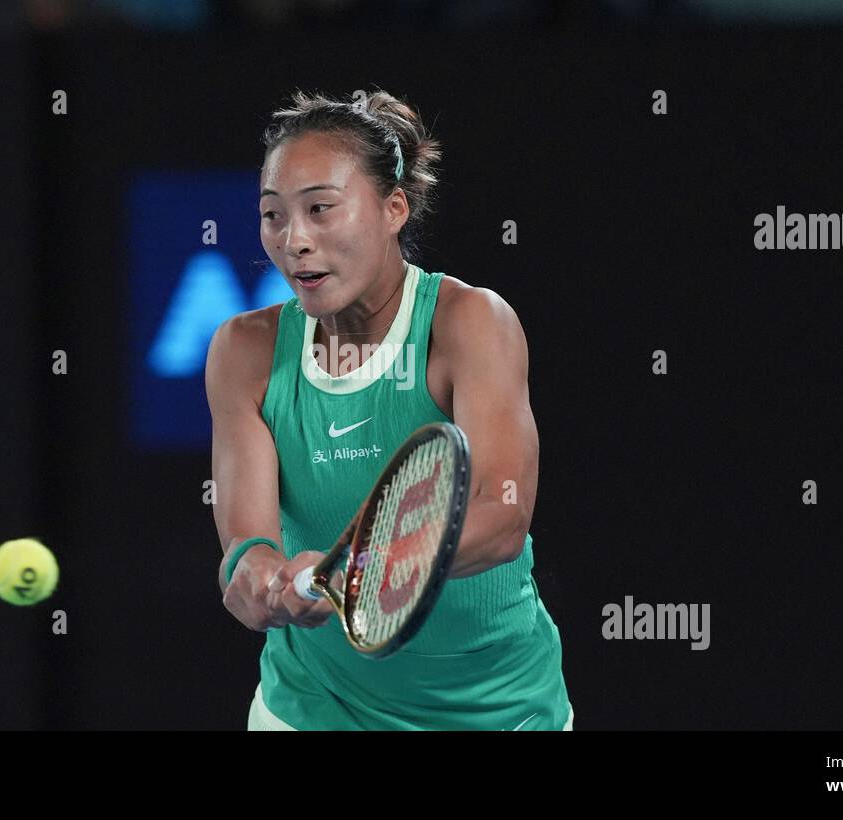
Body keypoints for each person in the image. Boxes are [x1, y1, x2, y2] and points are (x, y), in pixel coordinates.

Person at [206, 88, 572, 730]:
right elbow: (248, 538)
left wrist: (360, 569)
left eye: (321, 209)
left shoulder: (470, 323)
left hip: (498, 708)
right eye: (273, 215)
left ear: (394, 208)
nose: (294, 240)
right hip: (315, 707)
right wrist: (257, 578)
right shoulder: (244, 350)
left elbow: (503, 513)